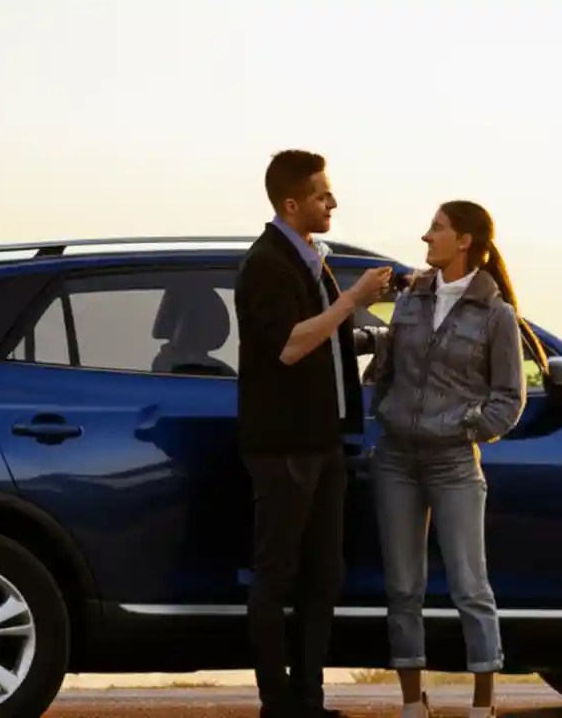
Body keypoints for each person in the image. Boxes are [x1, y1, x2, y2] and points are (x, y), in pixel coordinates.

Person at [234, 149, 392, 717]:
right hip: (283, 445)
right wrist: (354, 298)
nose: (333, 202)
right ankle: (277, 704)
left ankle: (309, 699)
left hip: (323, 443)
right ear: (292, 202)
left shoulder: (309, 259)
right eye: (323, 194)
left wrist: (381, 335)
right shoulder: (267, 263)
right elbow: (292, 344)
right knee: (277, 573)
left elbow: (328, 339)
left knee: (325, 574)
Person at [364, 201, 538, 718]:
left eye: (436, 229)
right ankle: (412, 702)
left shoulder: (497, 315)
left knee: (469, 585)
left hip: (453, 463)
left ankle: (483, 705)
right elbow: (386, 368)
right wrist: (386, 410)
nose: (425, 236)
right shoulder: (412, 299)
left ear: (464, 241)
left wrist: (469, 427)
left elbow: (511, 396)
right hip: (396, 457)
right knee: (402, 585)